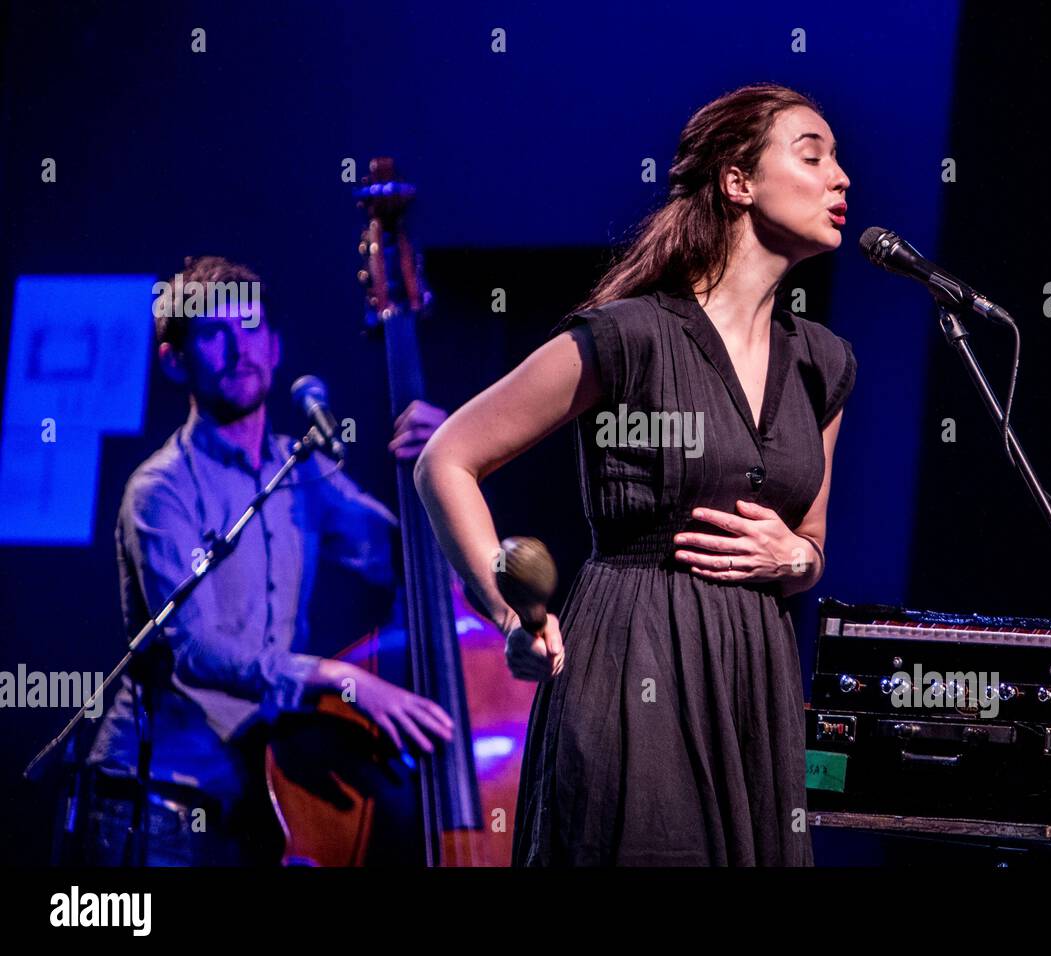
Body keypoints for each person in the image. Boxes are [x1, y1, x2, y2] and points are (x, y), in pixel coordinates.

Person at [415, 83, 856, 866]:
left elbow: (810, 541)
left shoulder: (824, 363)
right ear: (737, 182)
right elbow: (446, 458)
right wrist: (510, 616)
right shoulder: (631, 336)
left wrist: (797, 559)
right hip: (635, 659)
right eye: (813, 155)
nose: (841, 177)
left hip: (754, 675)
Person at [84, 255, 454, 865]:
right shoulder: (160, 490)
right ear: (175, 360)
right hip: (154, 797)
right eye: (212, 333)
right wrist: (341, 677)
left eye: (251, 327)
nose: (239, 348)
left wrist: (440, 467)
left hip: (255, 792)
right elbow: (195, 649)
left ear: (276, 346)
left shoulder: (302, 468)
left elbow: (405, 560)